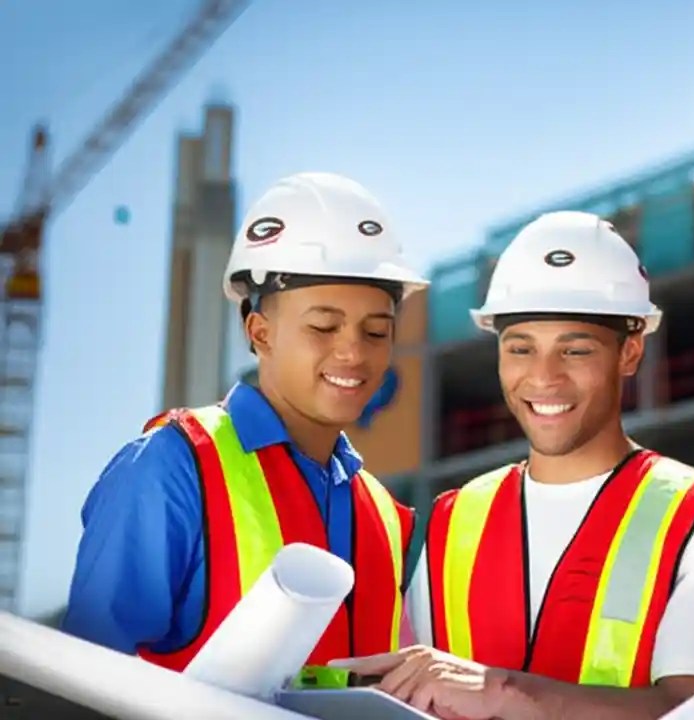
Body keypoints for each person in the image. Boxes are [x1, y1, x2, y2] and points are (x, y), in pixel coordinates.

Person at [330, 210, 694, 719]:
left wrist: (507, 692)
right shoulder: (456, 519)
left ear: (630, 352)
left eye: (575, 350)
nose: (543, 378)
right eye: (520, 349)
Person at [62, 172, 428, 686]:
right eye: (323, 326)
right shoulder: (172, 467)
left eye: (376, 332)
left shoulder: (387, 517)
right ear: (260, 332)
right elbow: (78, 688)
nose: (353, 352)